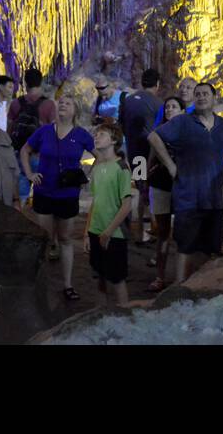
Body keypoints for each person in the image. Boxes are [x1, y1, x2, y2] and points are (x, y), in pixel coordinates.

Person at [148, 82, 223, 283]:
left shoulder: (222, 125)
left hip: (213, 199)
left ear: (215, 98)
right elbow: (154, 137)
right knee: (185, 247)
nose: (201, 97)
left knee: (209, 248)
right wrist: (171, 166)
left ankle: (200, 288)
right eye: (197, 94)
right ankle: (181, 291)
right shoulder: (183, 122)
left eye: (206, 93)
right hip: (188, 197)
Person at [22, 95, 95, 301]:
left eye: (68, 103)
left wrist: (87, 176)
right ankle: (42, 283)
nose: (62, 105)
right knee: (44, 239)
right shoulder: (44, 131)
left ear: (75, 111)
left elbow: (100, 154)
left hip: (68, 194)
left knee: (65, 239)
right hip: (44, 191)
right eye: (60, 103)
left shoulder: (81, 135)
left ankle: (68, 284)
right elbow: (25, 150)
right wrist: (29, 174)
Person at [84, 122, 135, 307]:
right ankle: (101, 315)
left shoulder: (121, 167)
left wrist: (108, 231)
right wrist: (87, 232)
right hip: (96, 230)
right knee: (99, 277)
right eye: (96, 134)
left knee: (117, 278)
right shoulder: (97, 168)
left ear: (114, 140)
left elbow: (127, 204)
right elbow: (95, 202)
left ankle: (125, 315)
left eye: (102, 134)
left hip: (115, 233)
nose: (96, 137)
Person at [120, 68, 162, 244]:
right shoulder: (158, 103)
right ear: (157, 84)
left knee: (141, 188)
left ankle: (142, 229)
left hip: (135, 153)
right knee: (151, 191)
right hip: (152, 154)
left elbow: (121, 125)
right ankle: (148, 228)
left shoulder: (128, 101)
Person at [145, 96, 183, 292]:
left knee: (183, 232)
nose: (169, 109)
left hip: (182, 185)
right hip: (160, 183)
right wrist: (144, 177)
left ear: (182, 111)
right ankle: (160, 276)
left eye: (174, 106)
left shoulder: (188, 131)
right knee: (162, 232)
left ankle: (181, 276)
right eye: (167, 106)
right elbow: (151, 157)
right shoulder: (157, 132)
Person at [8, 68, 57, 209]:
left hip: (19, 152)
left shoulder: (16, 103)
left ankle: (19, 221)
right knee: (43, 195)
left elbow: (9, 129)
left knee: (20, 193)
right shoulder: (49, 105)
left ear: (25, 83)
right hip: (39, 154)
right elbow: (53, 131)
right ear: (41, 82)